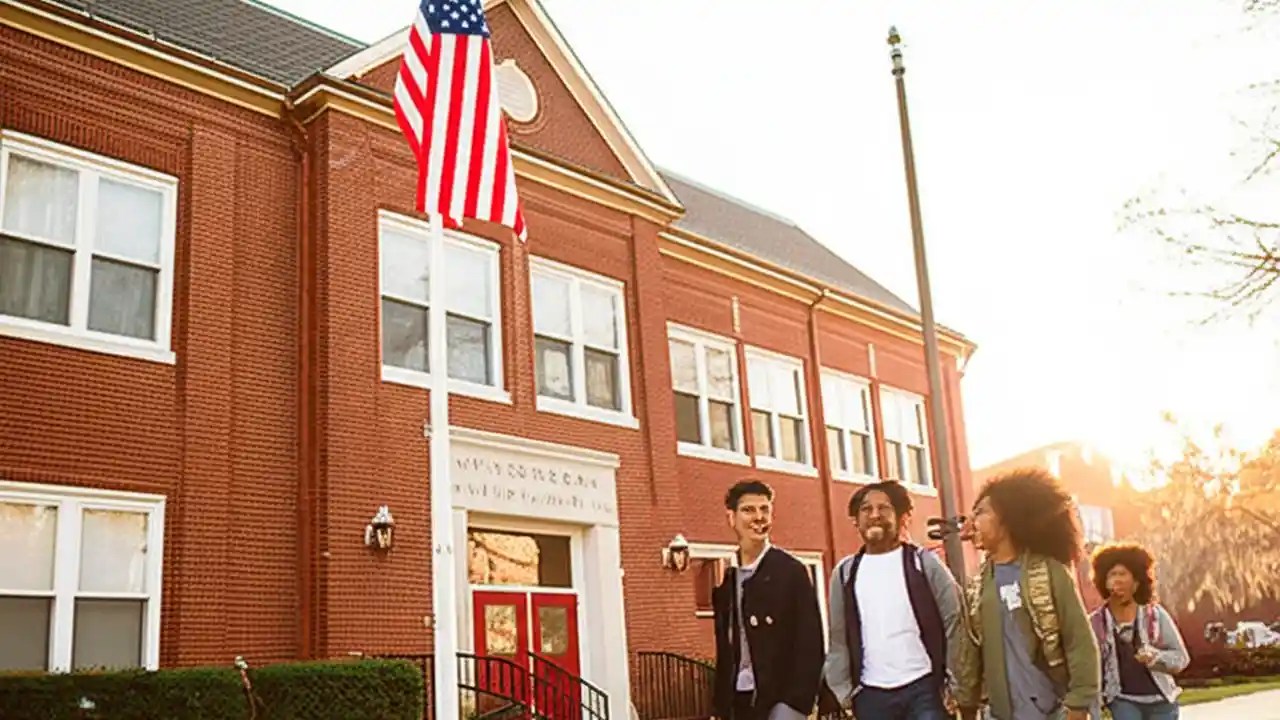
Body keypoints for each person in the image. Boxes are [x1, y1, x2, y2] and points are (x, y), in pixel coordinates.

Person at [954, 468, 1100, 720]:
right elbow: (971, 650)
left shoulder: (1050, 572)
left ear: (1007, 518)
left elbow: (1080, 641)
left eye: (981, 513)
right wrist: (966, 702)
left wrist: (1079, 704)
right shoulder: (978, 585)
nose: (971, 522)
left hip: (1054, 711)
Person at [823, 481, 965, 719]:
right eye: (866, 509)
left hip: (924, 689)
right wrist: (844, 691)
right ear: (856, 520)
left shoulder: (923, 563)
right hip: (871, 695)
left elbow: (955, 620)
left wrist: (955, 682)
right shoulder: (845, 573)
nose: (875, 515)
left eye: (884, 508)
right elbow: (838, 637)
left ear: (901, 517)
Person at [712, 480, 824, 720]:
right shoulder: (728, 580)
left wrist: (795, 705)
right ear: (731, 517)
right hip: (738, 702)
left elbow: (810, 643)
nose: (759, 517)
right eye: (748, 510)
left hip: (780, 702)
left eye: (765, 509)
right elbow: (725, 650)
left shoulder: (791, 571)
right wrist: (719, 707)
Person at [1088, 543, 1189, 720]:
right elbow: (1089, 668)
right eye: (1112, 574)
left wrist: (1155, 657)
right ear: (1103, 581)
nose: (1117, 580)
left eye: (1123, 574)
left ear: (1136, 582)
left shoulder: (1155, 616)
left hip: (1162, 702)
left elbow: (1181, 659)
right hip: (1122, 700)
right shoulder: (1096, 623)